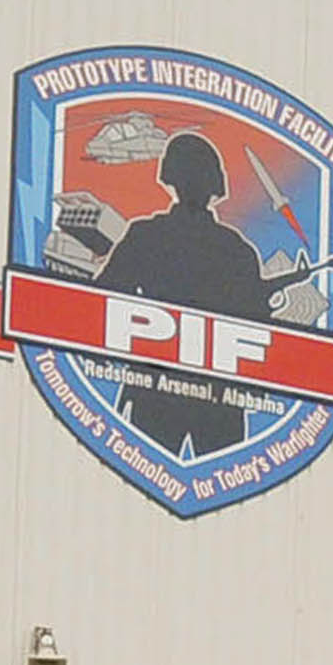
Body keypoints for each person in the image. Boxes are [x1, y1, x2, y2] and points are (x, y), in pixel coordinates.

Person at [92, 130, 276, 456]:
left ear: (170, 177)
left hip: (171, 392)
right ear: (215, 184)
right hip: (205, 398)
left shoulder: (147, 234)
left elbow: (102, 298)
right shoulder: (236, 249)